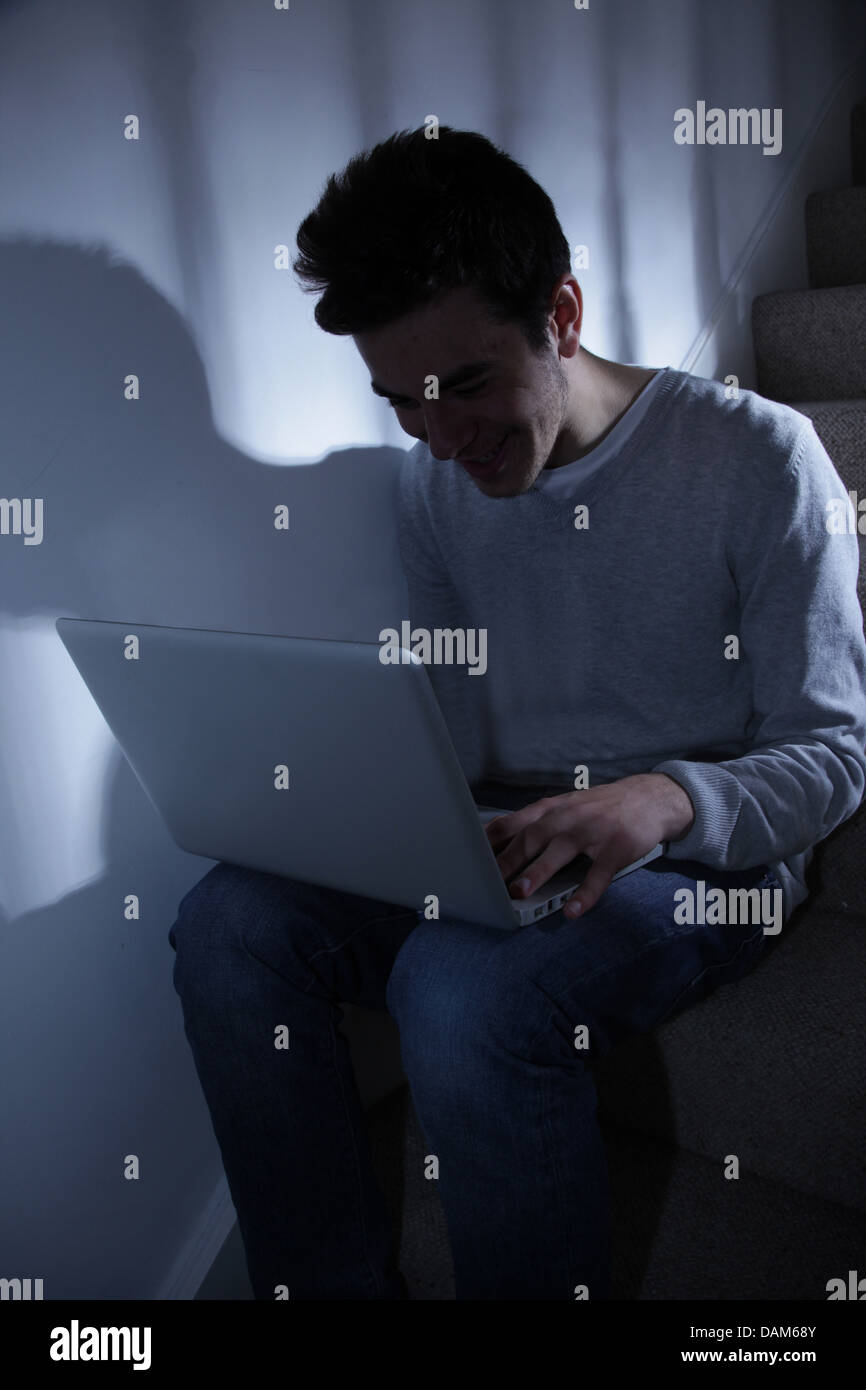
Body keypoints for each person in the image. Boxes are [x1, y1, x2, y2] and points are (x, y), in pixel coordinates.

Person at [168, 126, 866, 1300]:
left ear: (562, 312)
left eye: (465, 386)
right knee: (226, 923)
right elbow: (447, 712)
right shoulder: (433, 481)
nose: (439, 438)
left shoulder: (759, 455)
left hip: (698, 857)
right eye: (399, 402)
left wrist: (663, 797)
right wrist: (359, 801)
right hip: (501, 827)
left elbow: (834, 749)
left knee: (458, 987)